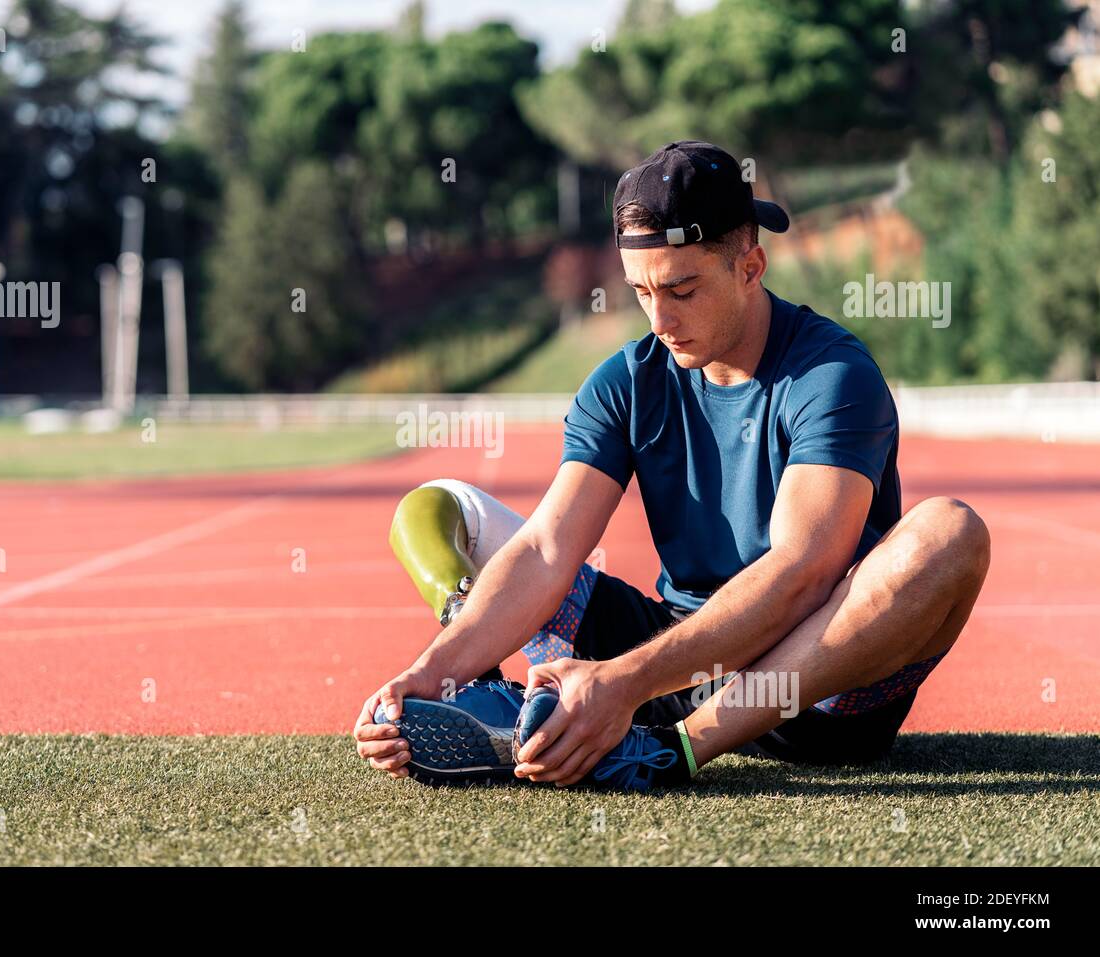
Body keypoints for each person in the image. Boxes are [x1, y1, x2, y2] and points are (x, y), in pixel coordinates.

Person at [353, 141, 991, 791]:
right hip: (677, 662)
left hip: (813, 687)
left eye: (681, 289)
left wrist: (621, 680)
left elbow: (803, 572)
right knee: (442, 506)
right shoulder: (627, 380)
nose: (660, 318)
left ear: (750, 266)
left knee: (950, 532)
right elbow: (548, 547)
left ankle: (669, 752)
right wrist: (433, 672)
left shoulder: (831, 376)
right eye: (641, 291)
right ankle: (489, 698)